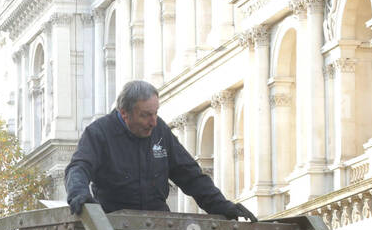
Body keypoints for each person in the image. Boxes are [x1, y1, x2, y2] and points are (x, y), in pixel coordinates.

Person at [64, 80, 256, 219]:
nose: (153, 122)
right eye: (146, 115)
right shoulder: (99, 133)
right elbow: (78, 167)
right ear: (124, 114)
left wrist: (223, 206)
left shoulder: (160, 131)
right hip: (114, 227)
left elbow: (190, 175)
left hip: (159, 225)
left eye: (155, 113)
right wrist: (79, 194)